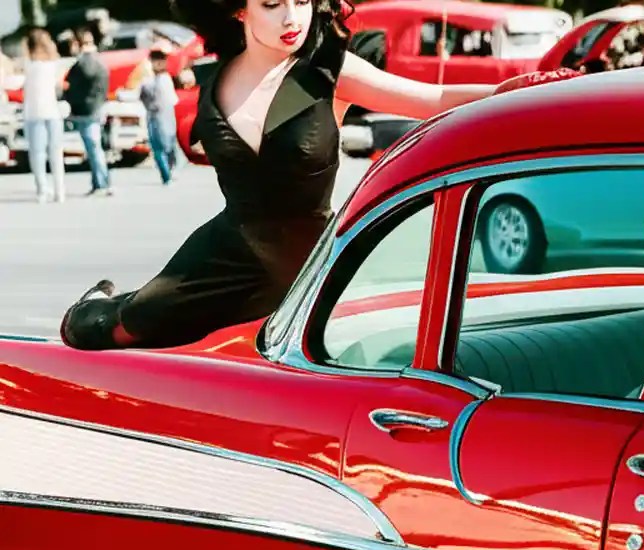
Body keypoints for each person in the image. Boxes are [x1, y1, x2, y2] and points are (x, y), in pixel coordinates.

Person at [59, 0, 580, 351]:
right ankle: (100, 300)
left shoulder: (329, 72)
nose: (292, 16)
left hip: (307, 256)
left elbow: (435, 100)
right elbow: (208, 147)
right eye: (272, 3)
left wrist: (528, 89)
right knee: (110, 331)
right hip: (223, 250)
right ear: (240, 9)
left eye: (302, 0)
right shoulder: (215, 80)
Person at [64, 26, 113, 196]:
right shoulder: (99, 62)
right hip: (96, 108)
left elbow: (71, 85)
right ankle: (100, 182)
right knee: (95, 148)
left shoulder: (84, 63)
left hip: (86, 111)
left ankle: (101, 184)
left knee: (93, 149)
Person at [21, 28, 66, 204]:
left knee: (38, 154)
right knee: (56, 154)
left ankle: (42, 190)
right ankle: (59, 190)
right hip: (53, 112)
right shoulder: (55, 65)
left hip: (34, 114)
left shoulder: (28, 66)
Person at [138, 48, 180, 185]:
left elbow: (147, 97)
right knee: (166, 146)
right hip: (165, 116)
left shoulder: (157, 80)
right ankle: (169, 172)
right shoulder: (162, 79)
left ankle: (167, 174)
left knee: (159, 148)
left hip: (158, 117)